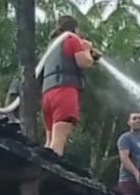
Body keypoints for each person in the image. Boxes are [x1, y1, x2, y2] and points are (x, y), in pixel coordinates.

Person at [41, 15, 99, 155]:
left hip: (48, 94)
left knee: (50, 141)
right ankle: (52, 170)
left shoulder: (52, 45)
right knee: (58, 140)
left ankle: (42, 165)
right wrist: (86, 48)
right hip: (65, 91)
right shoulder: (72, 39)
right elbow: (84, 62)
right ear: (75, 28)